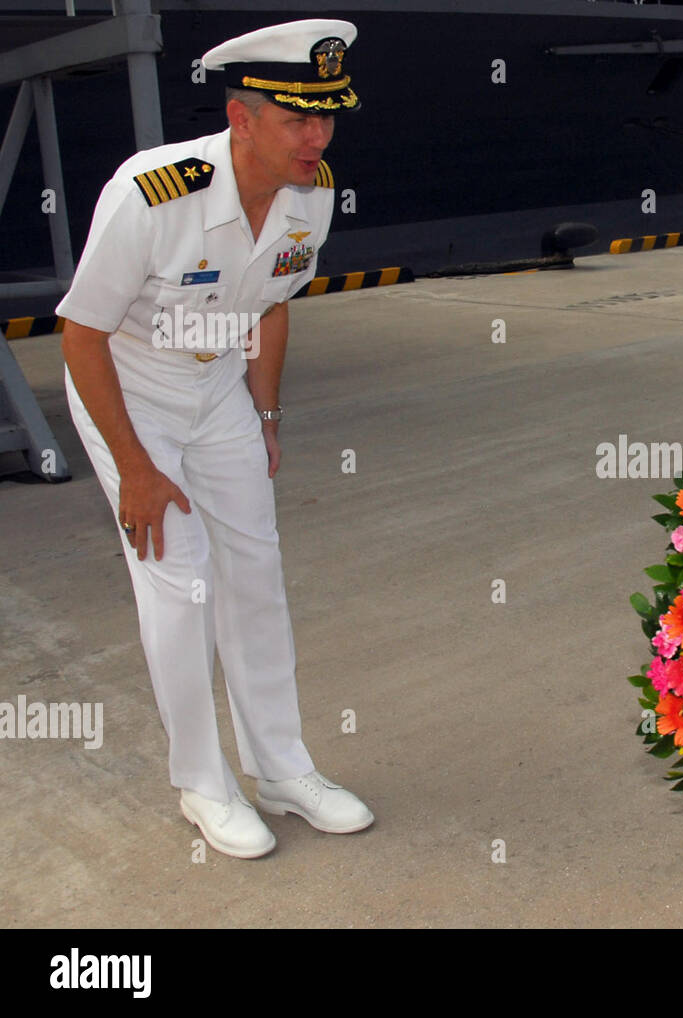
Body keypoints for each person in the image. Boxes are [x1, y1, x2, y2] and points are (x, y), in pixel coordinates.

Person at [58, 20, 370, 859]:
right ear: (241, 118)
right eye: (298, 120)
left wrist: (263, 415)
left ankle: (281, 768)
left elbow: (270, 304)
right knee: (180, 582)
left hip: (218, 389)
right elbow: (81, 335)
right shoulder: (153, 193)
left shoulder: (313, 196)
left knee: (256, 570)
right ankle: (200, 781)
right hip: (130, 393)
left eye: (327, 117)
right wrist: (135, 468)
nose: (318, 137)